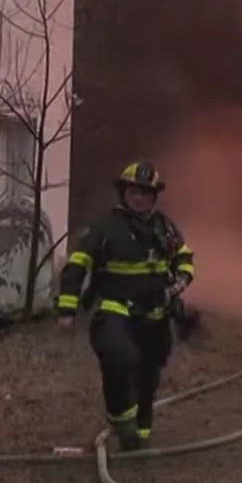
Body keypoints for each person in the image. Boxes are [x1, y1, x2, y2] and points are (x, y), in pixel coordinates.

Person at [55, 160, 195, 451]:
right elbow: (77, 266)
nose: (140, 198)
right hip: (114, 310)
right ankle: (121, 419)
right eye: (134, 192)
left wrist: (180, 281)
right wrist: (67, 310)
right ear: (123, 193)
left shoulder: (164, 227)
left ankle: (140, 436)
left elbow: (183, 257)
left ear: (155, 196)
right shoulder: (104, 228)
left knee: (149, 374)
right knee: (120, 360)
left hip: (155, 315)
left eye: (146, 193)